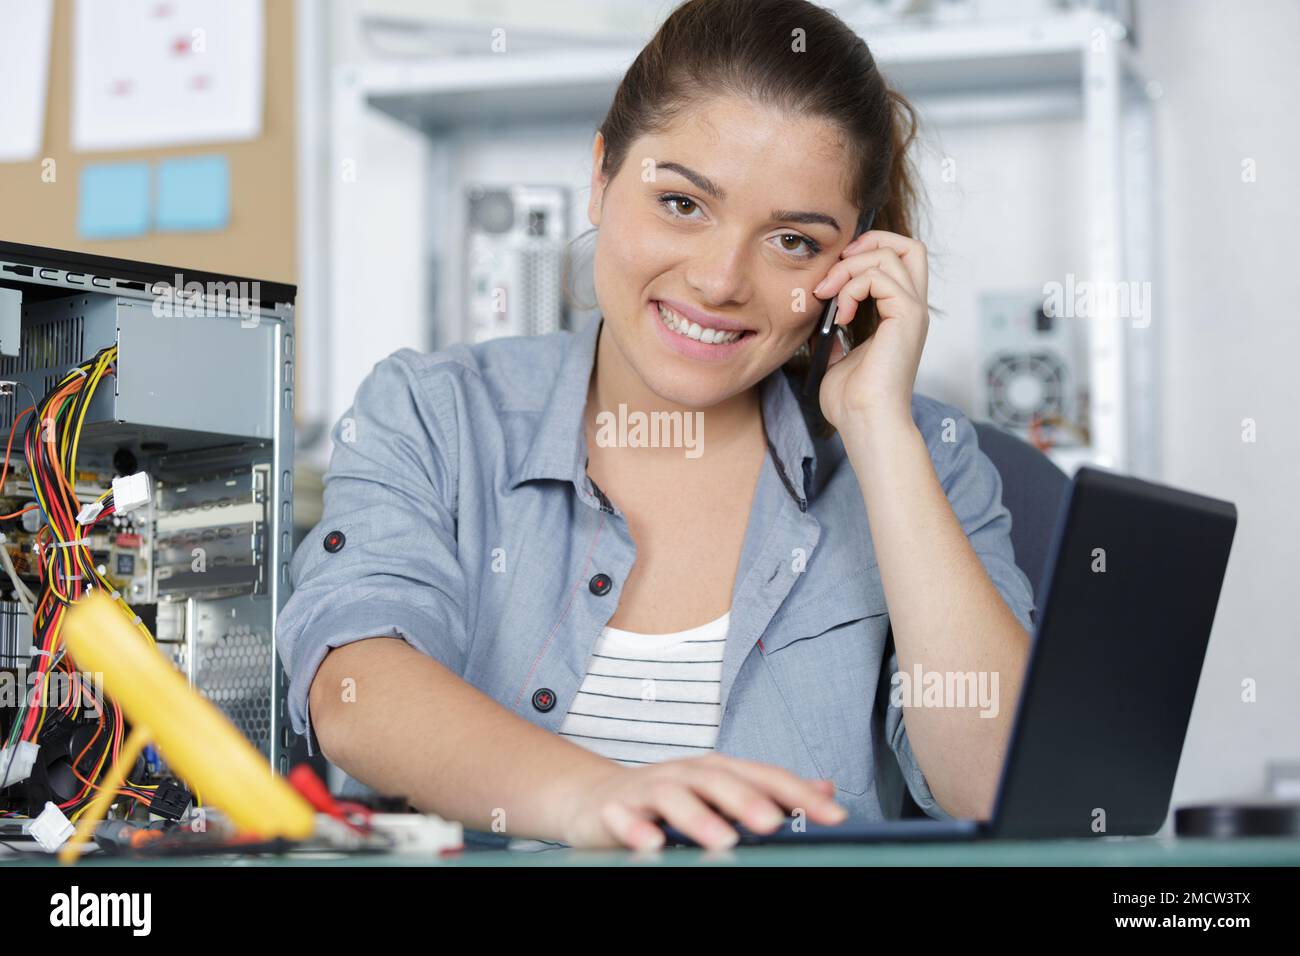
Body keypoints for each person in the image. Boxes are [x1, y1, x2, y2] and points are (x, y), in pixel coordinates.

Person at [276, 0, 1036, 852]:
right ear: (601, 176)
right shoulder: (436, 413)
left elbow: (1002, 786)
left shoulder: (920, 455)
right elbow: (354, 686)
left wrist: (878, 433)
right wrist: (597, 798)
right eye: (681, 203)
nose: (719, 280)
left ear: (852, 260)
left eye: (792, 240)